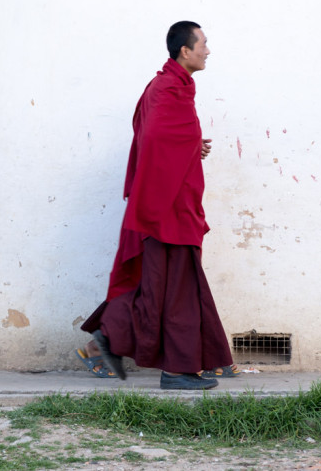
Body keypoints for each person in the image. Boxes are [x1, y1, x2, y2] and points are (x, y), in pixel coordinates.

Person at [78, 22, 237, 390]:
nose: (208, 51)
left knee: (155, 290)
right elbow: (153, 137)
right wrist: (189, 143)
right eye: (204, 44)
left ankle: (98, 347)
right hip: (166, 211)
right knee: (174, 290)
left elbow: (160, 135)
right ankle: (177, 370)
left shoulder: (173, 86)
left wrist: (191, 143)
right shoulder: (167, 87)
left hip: (171, 207)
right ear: (185, 50)